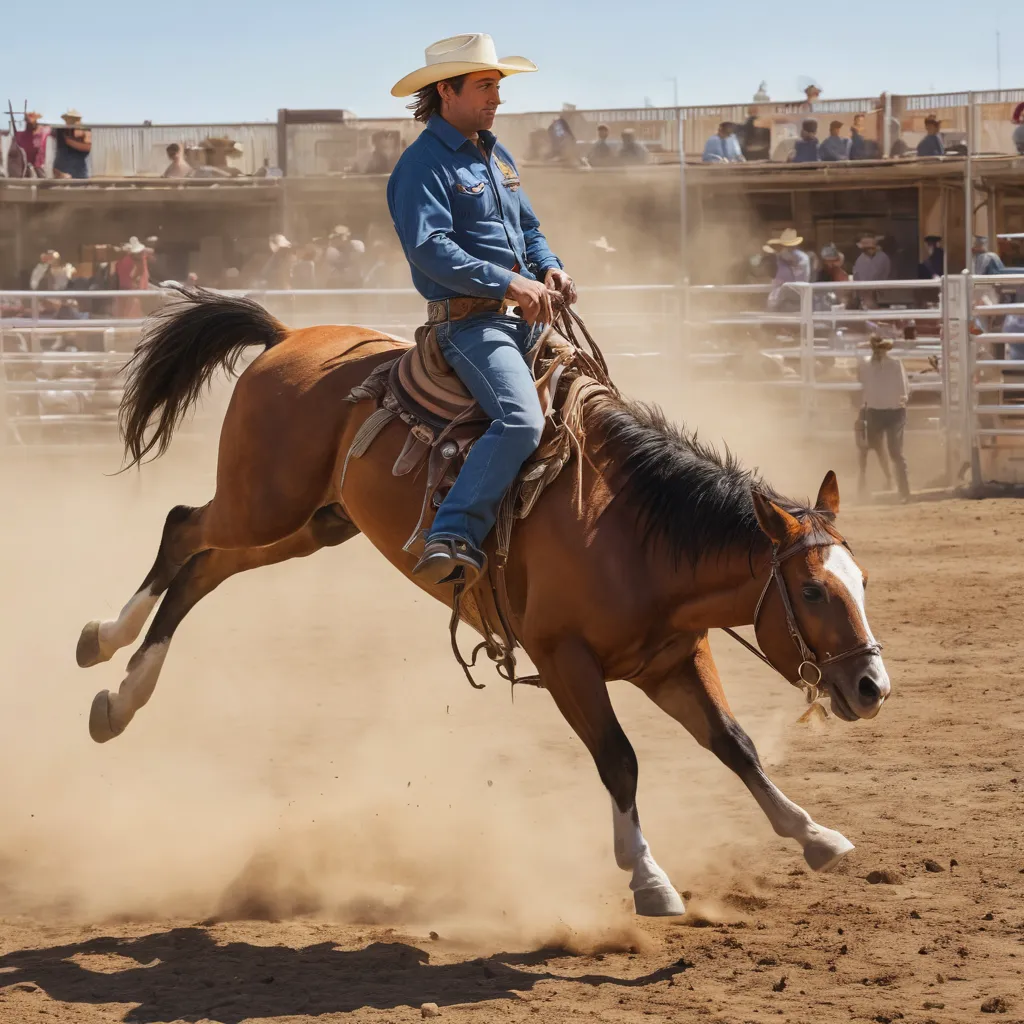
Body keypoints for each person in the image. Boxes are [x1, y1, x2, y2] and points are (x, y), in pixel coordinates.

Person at [387, 32, 574, 583]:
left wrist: (548, 267)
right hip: (470, 325)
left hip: (519, 318)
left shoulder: (496, 155)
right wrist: (509, 284)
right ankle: (453, 532)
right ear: (446, 91)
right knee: (520, 421)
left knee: (596, 403)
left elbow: (529, 229)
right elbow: (430, 249)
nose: (498, 98)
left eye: (497, 86)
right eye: (486, 86)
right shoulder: (423, 164)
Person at [857, 335, 910, 501]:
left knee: (886, 451)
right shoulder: (891, 364)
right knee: (886, 451)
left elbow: (864, 384)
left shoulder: (869, 366)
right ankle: (898, 489)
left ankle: (899, 489)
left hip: (885, 411)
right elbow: (903, 390)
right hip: (885, 410)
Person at [764, 229, 811, 311]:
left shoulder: (803, 258)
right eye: (785, 246)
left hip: (797, 298)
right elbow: (776, 277)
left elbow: (800, 279)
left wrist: (791, 262)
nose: (786, 248)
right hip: (781, 301)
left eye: (789, 245)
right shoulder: (780, 258)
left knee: (780, 294)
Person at [52, 109, 91, 179]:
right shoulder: (60, 132)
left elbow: (87, 147)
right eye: (68, 120)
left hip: (80, 175)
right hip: (61, 175)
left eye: (72, 120)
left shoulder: (86, 132)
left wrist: (70, 141)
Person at [13, 110, 50, 177]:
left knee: (43, 182)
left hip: (40, 165)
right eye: (28, 120)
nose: (30, 121)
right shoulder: (21, 135)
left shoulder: (45, 131)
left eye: (32, 118)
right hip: (25, 167)